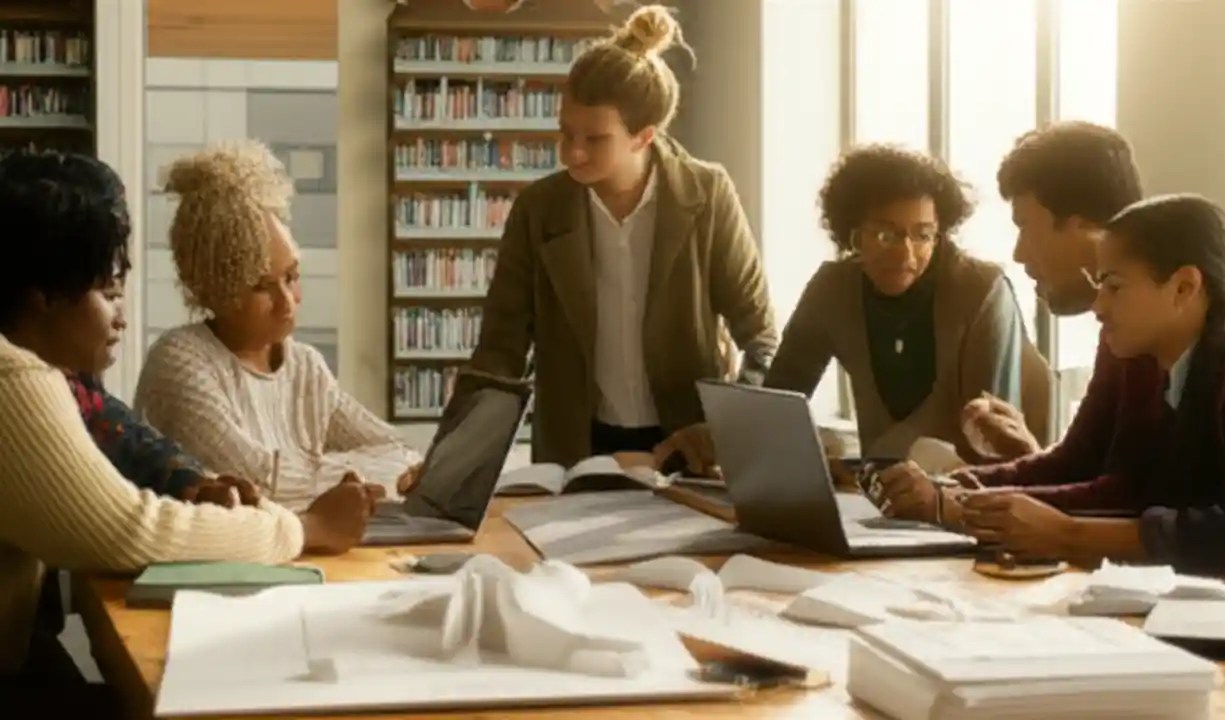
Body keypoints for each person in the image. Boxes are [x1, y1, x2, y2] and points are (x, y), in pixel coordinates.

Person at [0, 149, 369, 698]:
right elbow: (129, 529)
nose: (120, 314)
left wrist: (190, 483)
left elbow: (126, 441)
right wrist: (305, 529)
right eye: (108, 293)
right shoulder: (14, 380)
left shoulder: (62, 377)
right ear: (45, 297)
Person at [448, 5, 777, 470]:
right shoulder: (538, 210)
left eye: (595, 139)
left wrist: (725, 428)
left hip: (688, 448)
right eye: (566, 132)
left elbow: (760, 335)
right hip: (574, 451)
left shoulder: (708, 195)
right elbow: (499, 350)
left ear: (642, 137)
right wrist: (452, 465)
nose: (572, 152)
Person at [959, 195, 1225, 578]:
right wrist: (970, 497)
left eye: (1113, 287)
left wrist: (1068, 535)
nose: (1098, 307)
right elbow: (1140, 493)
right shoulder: (1171, 370)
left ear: (1183, 287)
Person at [879, 121, 1144, 524]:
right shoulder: (1118, 332)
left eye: (1023, 225)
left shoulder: (1150, 333)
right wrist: (953, 487)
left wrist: (949, 504)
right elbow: (1079, 467)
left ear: (1081, 226)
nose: (1019, 254)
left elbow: (1131, 497)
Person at [133, 141, 421, 511]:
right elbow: (258, 485)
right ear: (213, 289)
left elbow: (405, 452)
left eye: (292, 277)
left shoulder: (305, 366)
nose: (288, 302)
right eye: (261, 287)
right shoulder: (179, 362)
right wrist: (376, 475)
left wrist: (358, 477)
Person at [760, 145, 1049, 462]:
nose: (905, 256)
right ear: (852, 233)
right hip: (881, 493)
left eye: (923, 235)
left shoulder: (981, 290)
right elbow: (777, 402)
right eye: (885, 235)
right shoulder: (833, 288)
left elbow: (994, 448)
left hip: (973, 492)